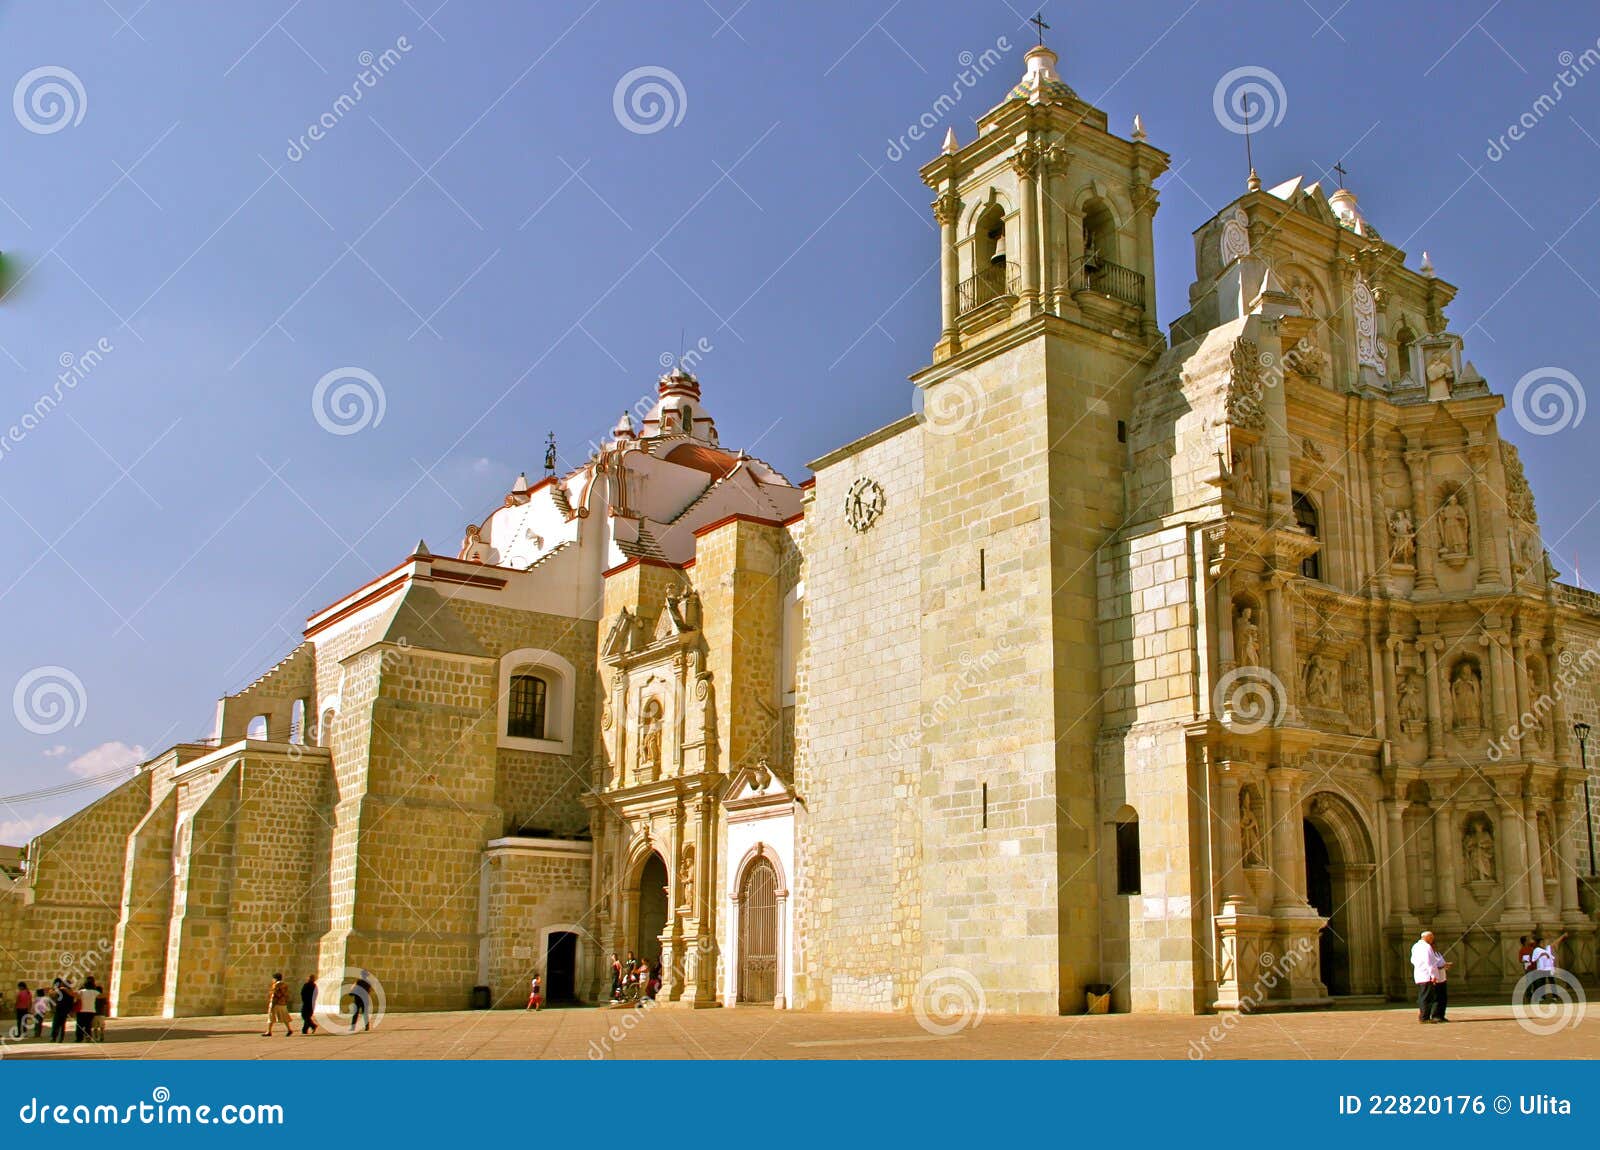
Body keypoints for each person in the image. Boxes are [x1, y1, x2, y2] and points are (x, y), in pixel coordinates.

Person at [1409, 930, 1450, 1023]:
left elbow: (1413, 960)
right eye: (1431, 938)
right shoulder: (1426, 947)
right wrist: (1433, 975)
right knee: (1426, 997)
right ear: (1427, 937)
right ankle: (1424, 1017)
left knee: (1424, 996)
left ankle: (1425, 1017)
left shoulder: (1415, 946)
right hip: (1427, 975)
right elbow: (1430, 963)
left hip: (1420, 974)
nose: (1432, 940)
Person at [1529, 933, 1569, 1004]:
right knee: (1541, 983)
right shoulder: (1537, 950)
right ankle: (1542, 996)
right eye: (1542, 942)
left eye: (1543, 942)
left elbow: (1554, 943)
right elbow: (1533, 959)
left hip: (1548, 969)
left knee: (1552, 982)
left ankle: (1555, 996)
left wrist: (1562, 936)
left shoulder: (1547, 948)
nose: (1543, 943)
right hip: (1541, 969)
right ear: (1538, 943)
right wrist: (1542, 954)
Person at [263, 973, 292, 1037]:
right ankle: (289, 1029)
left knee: (271, 1017)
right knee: (284, 1017)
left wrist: (272, 1004)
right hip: (283, 1003)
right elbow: (287, 994)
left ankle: (269, 1031)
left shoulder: (276, 985)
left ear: (275, 978)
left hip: (276, 1003)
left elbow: (274, 995)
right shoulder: (285, 984)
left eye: (273, 978)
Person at [75, 976, 99, 1043]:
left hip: (81, 1010)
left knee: (79, 1025)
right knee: (88, 1025)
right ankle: (88, 1037)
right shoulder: (95, 992)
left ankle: (79, 1038)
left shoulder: (81, 991)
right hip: (91, 1011)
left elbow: (76, 998)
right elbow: (101, 996)